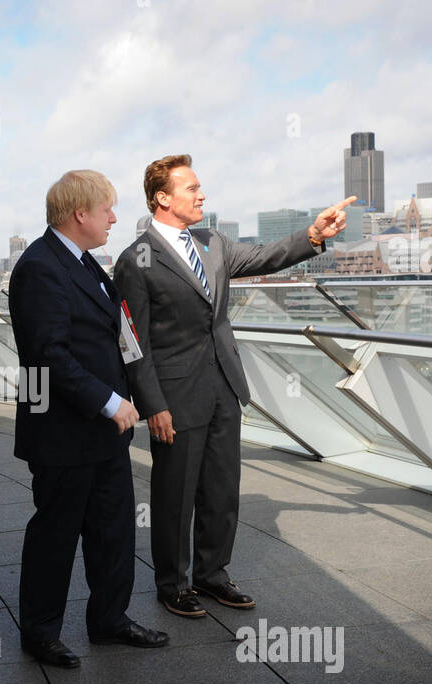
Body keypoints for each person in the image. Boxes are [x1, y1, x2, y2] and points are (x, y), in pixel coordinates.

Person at [113, 154, 352, 618]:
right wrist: (152, 405)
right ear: (162, 198)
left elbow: (265, 256)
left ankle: (212, 574)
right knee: (174, 496)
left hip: (224, 386)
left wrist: (314, 234)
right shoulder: (135, 260)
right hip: (174, 397)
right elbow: (132, 343)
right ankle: (172, 584)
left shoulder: (213, 242)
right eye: (191, 188)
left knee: (223, 490)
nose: (202, 195)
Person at [8, 169, 169, 669]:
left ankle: (109, 621)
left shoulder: (84, 263)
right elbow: (47, 354)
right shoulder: (40, 266)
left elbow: (112, 337)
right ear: (80, 214)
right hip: (63, 434)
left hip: (102, 433)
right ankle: (40, 634)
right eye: (107, 210)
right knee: (55, 537)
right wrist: (109, 400)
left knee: (113, 530)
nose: (114, 219)